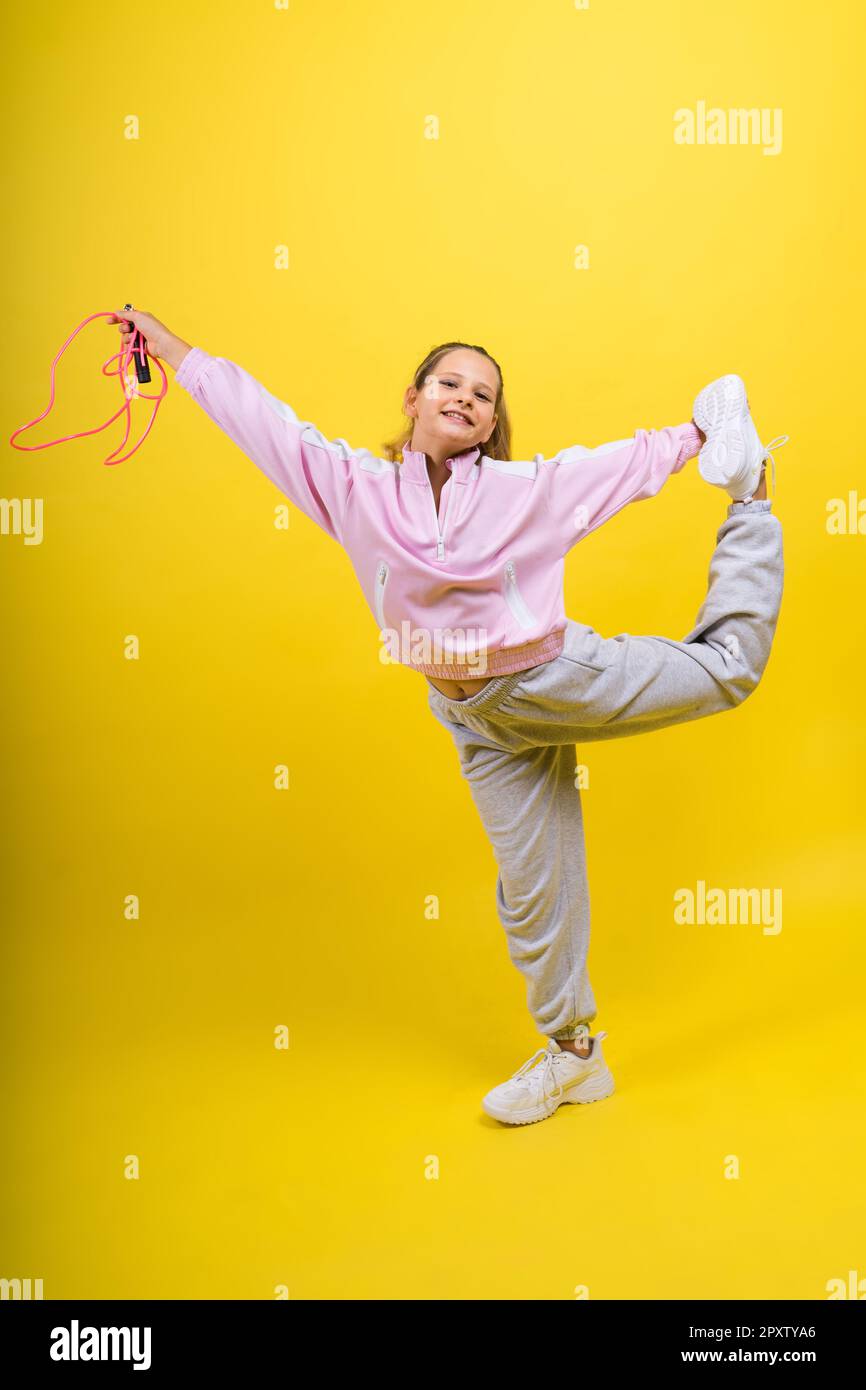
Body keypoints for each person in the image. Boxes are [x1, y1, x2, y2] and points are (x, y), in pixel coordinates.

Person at [108, 310, 788, 1127]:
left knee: (727, 672)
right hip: (475, 722)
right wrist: (170, 349)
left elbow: (621, 465)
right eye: (450, 383)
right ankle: (576, 1059)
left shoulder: (519, 489)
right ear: (415, 397)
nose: (466, 398)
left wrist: (703, 431)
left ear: (492, 423)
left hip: (549, 679)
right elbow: (263, 422)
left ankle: (753, 498)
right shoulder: (353, 487)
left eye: (484, 395)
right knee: (534, 896)